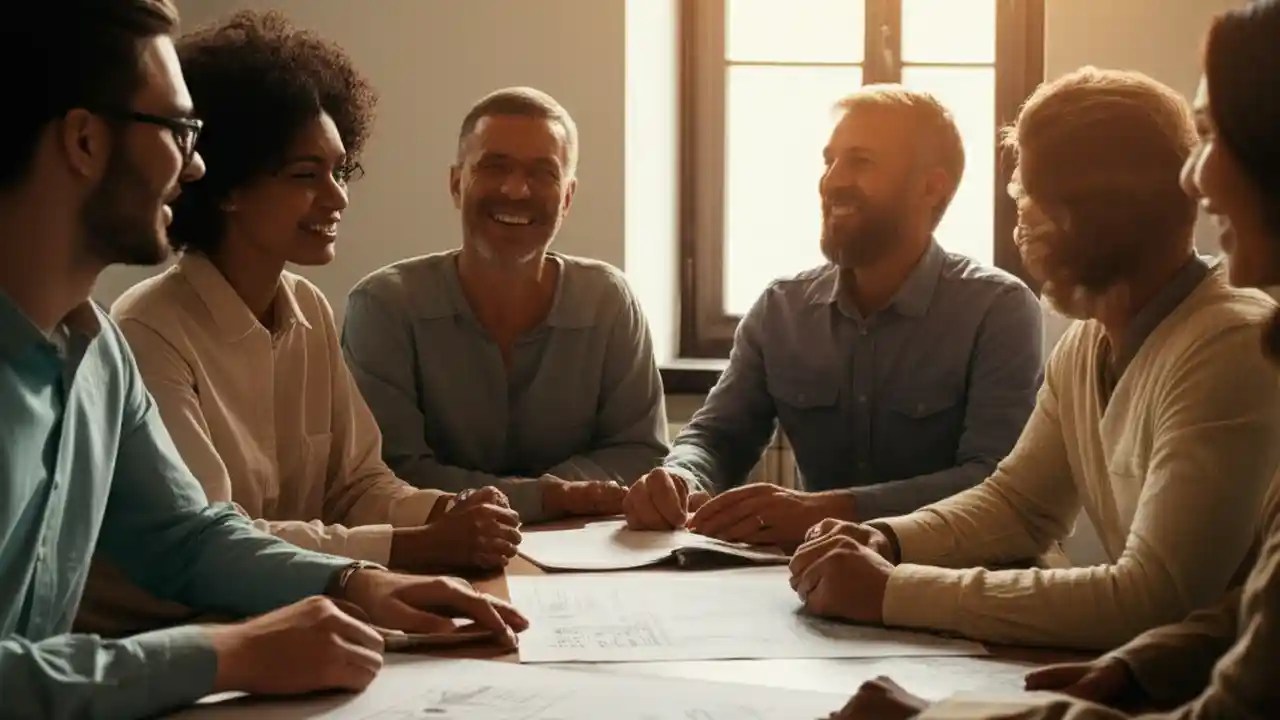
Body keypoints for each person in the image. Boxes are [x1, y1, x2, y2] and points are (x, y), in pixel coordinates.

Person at [0, 3, 525, 717]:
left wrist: (357, 583)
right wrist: (227, 654)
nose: (198, 165)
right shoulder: (142, 335)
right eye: (180, 131)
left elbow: (186, 535)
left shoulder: (98, 356)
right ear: (85, 141)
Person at [829, 4, 1280, 718]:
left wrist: (890, 590)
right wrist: (887, 539)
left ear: (1089, 214)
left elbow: (1154, 596)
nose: (1020, 222)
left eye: (1028, 195)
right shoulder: (1088, 341)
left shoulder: (1227, 346)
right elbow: (1019, 504)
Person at [624, 86, 1043, 549]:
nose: (832, 181)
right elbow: (717, 438)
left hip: (953, 579)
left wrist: (828, 511)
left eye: (861, 162)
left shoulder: (998, 309)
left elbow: (991, 484)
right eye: (829, 161)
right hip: (816, 580)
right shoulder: (781, 309)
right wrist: (678, 476)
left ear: (930, 186)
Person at [342, 86, 668, 524]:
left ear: (567, 197)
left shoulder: (610, 301)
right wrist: (551, 498)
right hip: (434, 552)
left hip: (588, 557)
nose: (516, 190)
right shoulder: (384, 307)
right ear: (457, 184)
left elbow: (640, 452)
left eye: (543, 173)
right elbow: (390, 475)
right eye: (495, 167)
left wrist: (553, 498)